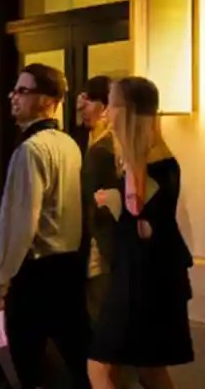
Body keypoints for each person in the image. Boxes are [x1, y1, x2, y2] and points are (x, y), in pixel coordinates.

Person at [0, 63, 90, 389]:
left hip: (35, 271)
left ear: (47, 101)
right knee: (78, 359)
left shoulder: (30, 150)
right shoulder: (69, 145)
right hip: (68, 267)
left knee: (23, 367)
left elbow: (20, 224)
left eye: (23, 91)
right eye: (14, 90)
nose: (13, 97)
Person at [89, 76, 194, 389]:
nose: (106, 112)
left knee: (100, 366)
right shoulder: (156, 157)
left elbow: (142, 222)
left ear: (128, 110)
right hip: (151, 275)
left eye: (112, 105)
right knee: (150, 369)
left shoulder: (146, 161)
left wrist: (113, 201)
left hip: (142, 279)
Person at [78, 76, 117, 323]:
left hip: (101, 253)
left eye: (89, 100)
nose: (82, 107)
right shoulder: (97, 143)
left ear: (105, 108)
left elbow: (97, 205)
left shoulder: (103, 149)